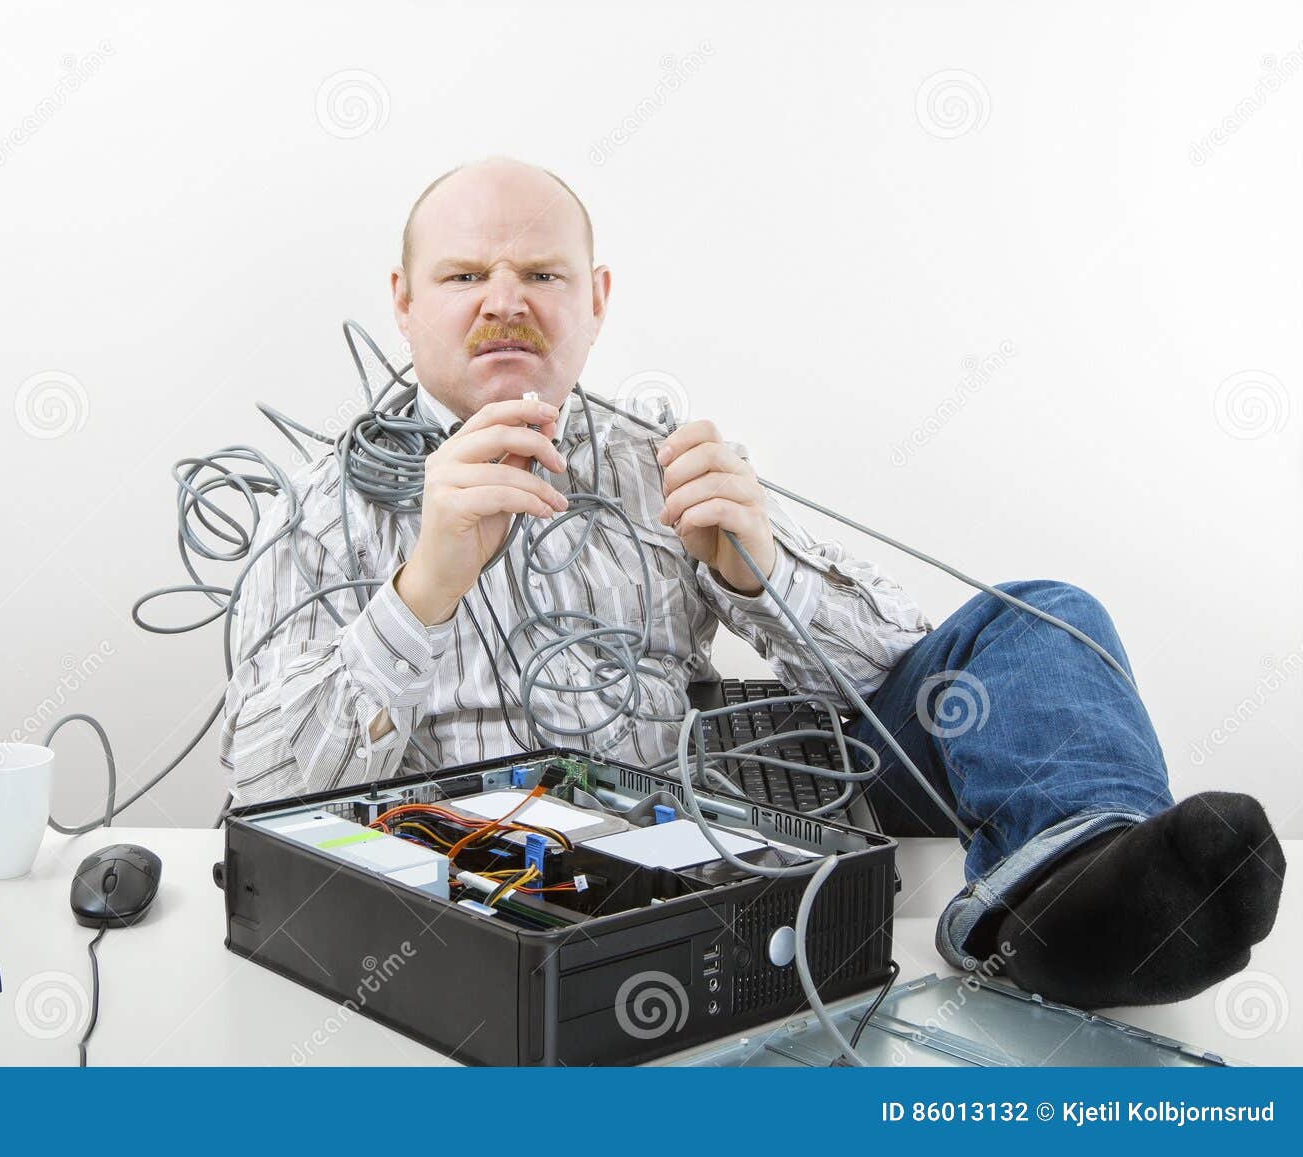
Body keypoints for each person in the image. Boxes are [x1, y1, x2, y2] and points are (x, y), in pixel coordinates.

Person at [220, 156, 1284, 1009]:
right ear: (404, 305)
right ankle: (1048, 918)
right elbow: (261, 797)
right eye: (463, 277)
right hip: (497, 862)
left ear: (593, 301)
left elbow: (916, 664)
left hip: (722, 797)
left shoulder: (656, 459)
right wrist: (422, 588)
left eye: (541, 274)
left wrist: (761, 574)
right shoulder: (320, 509)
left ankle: (1066, 901)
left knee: (1046, 619)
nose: (505, 302)